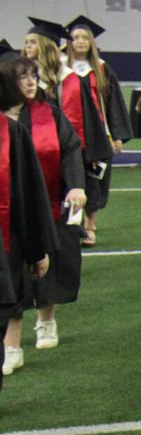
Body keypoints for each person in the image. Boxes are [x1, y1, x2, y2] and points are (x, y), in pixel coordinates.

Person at [0, 46, 85, 361]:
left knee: (49, 263)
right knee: (11, 273)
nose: (31, 82)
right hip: (8, 211)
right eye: (22, 77)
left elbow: (71, 149)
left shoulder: (49, 113)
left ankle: (46, 321)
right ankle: (11, 345)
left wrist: (76, 185)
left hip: (49, 203)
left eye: (34, 76)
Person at [0, 43, 59, 376]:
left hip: (11, 234)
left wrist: (37, 250)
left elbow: (25, 196)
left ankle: (15, 344)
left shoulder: (14, 132)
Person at [61, 16, 131, 248]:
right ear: (69, 42)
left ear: (91, 42)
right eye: (76, 37)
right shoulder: (60, 69)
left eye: (85, 38)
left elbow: (113, 103)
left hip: (97, 136)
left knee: (95, 181)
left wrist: (117, 135)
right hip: (67, 135)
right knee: (70, 180)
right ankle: (73, 227)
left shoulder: (101, 68)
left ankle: (90, 226)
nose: (80, 41)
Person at [23, 18, 69, 95]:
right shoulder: (28, 72)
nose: (28, 46)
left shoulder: (62, 71)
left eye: (33, 42)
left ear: (46, 46)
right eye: (26, 42)